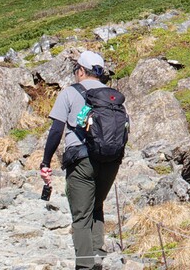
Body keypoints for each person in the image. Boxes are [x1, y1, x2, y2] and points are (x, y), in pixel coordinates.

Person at [40, 51, 123, 269]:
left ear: (80, 71)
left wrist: (45, 162)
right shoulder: (113, 96)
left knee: (81, 217)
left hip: (81, 160)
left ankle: (85, 266)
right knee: (97, 207)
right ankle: (98, 259)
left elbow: (56, 130)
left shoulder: (70, 93)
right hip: (111, 160)